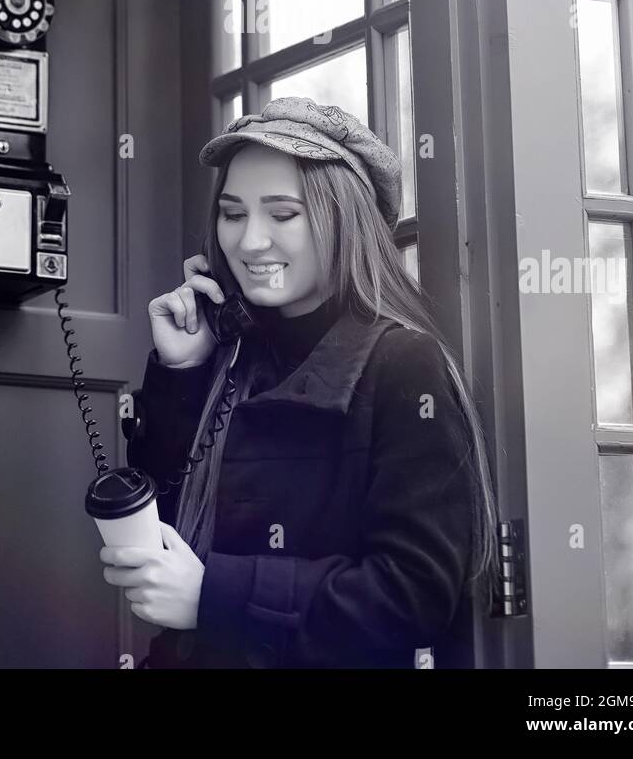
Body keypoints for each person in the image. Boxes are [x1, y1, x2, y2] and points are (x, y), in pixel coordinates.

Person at [102, 96, 499, 669]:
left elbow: (414, 594)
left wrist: (216, 595)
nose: (249, 242)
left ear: (343, 218)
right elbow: (169, 536)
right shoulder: (227, 356)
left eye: (282, 214)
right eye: (233, 213)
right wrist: (181, 375)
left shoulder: (405, 367)